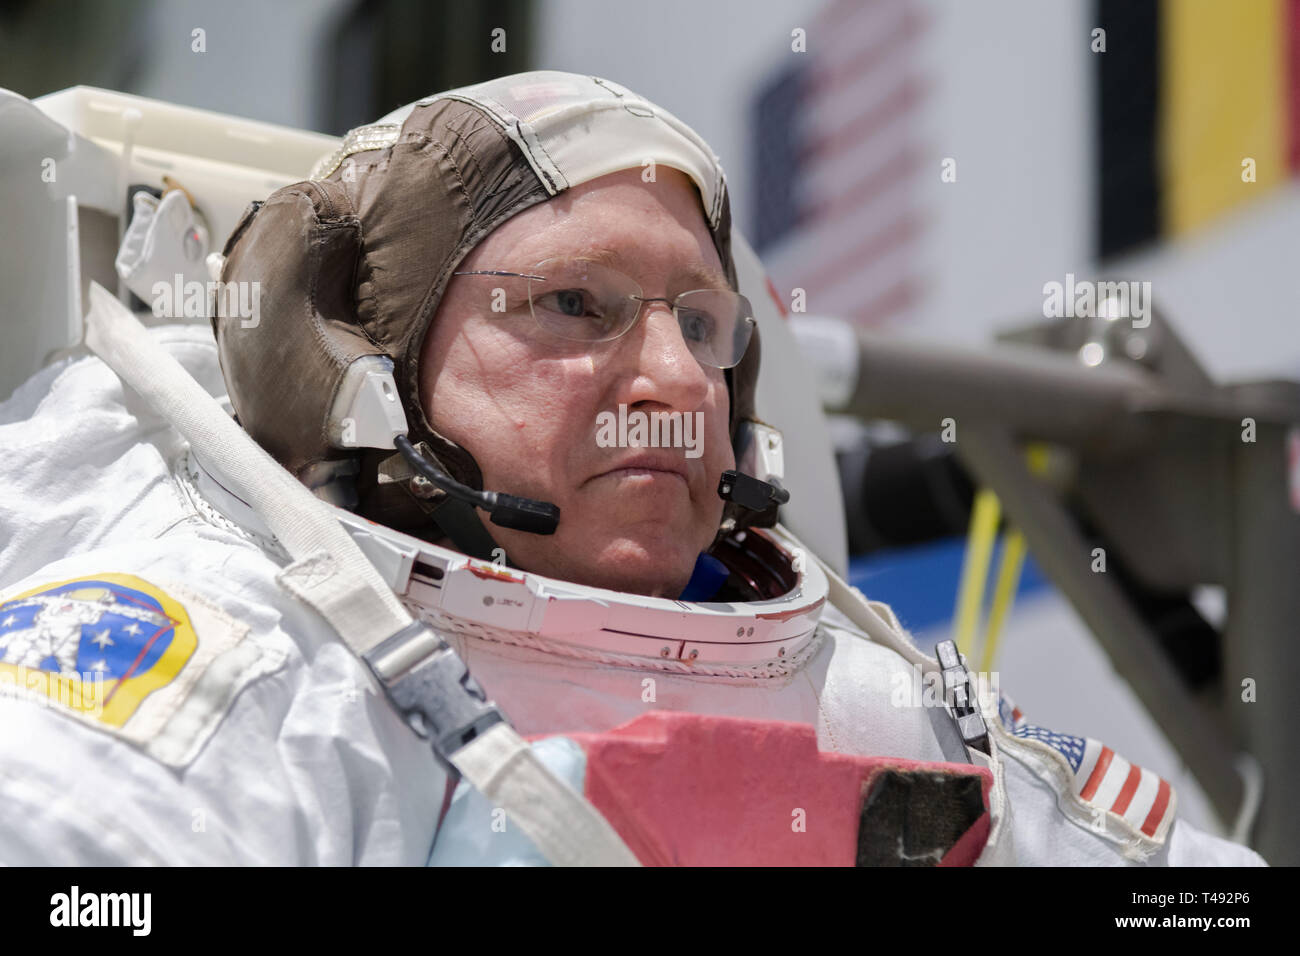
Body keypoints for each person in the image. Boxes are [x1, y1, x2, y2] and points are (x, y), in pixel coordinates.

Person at [0, 71, 1264, 866]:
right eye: (571, 304)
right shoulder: (244, 666)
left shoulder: (884, 704)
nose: (674, 379)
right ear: (360, 365)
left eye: (702, 325)